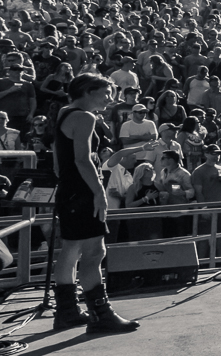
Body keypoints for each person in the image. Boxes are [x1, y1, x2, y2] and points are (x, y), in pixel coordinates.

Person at [51, 73, 139, 332]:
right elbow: (82, 159)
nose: (110, 99)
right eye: (106, 93)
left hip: (69, 189)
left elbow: (60, 158)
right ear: (89, 91)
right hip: (83, 190)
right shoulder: (85, 117)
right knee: (94, 252)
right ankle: (101, 315)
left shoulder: (65, 112)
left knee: (70, 251)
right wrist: (99, 191)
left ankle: (67, 312)